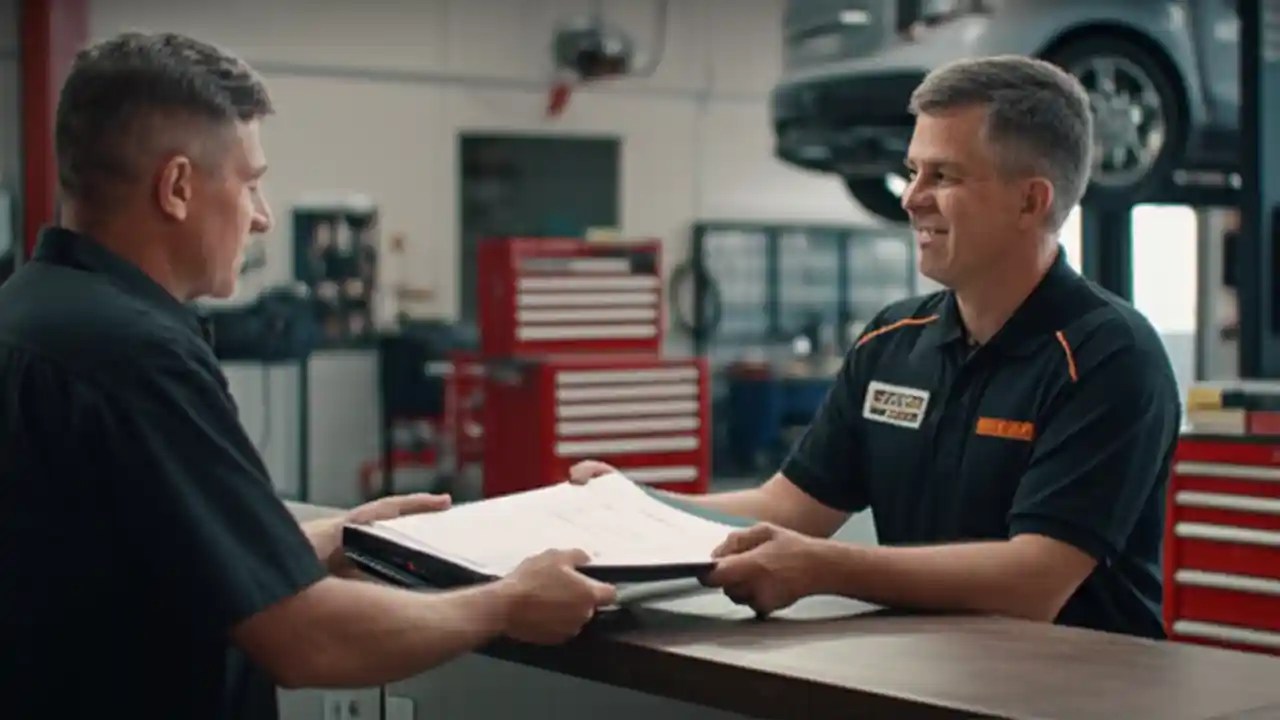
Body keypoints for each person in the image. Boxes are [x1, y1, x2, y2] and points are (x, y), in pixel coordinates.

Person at [0, 32, 615, 720]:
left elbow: (127, 566)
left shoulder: (25, 316)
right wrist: (507, 602)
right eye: (251, 183)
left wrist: (338, 538)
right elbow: (304, 638)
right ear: (176, 187)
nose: (262, 218)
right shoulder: (138, 358)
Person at [573, 55, 1181, 640]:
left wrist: (825, 567)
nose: (910, 197)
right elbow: (789, 505)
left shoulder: (1110, 358)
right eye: (913, 170)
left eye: (942, 175)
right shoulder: (894, 342)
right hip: (925, 679)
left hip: (1083, 696)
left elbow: (1033, 582)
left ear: (1031, 201)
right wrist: (642, 509)